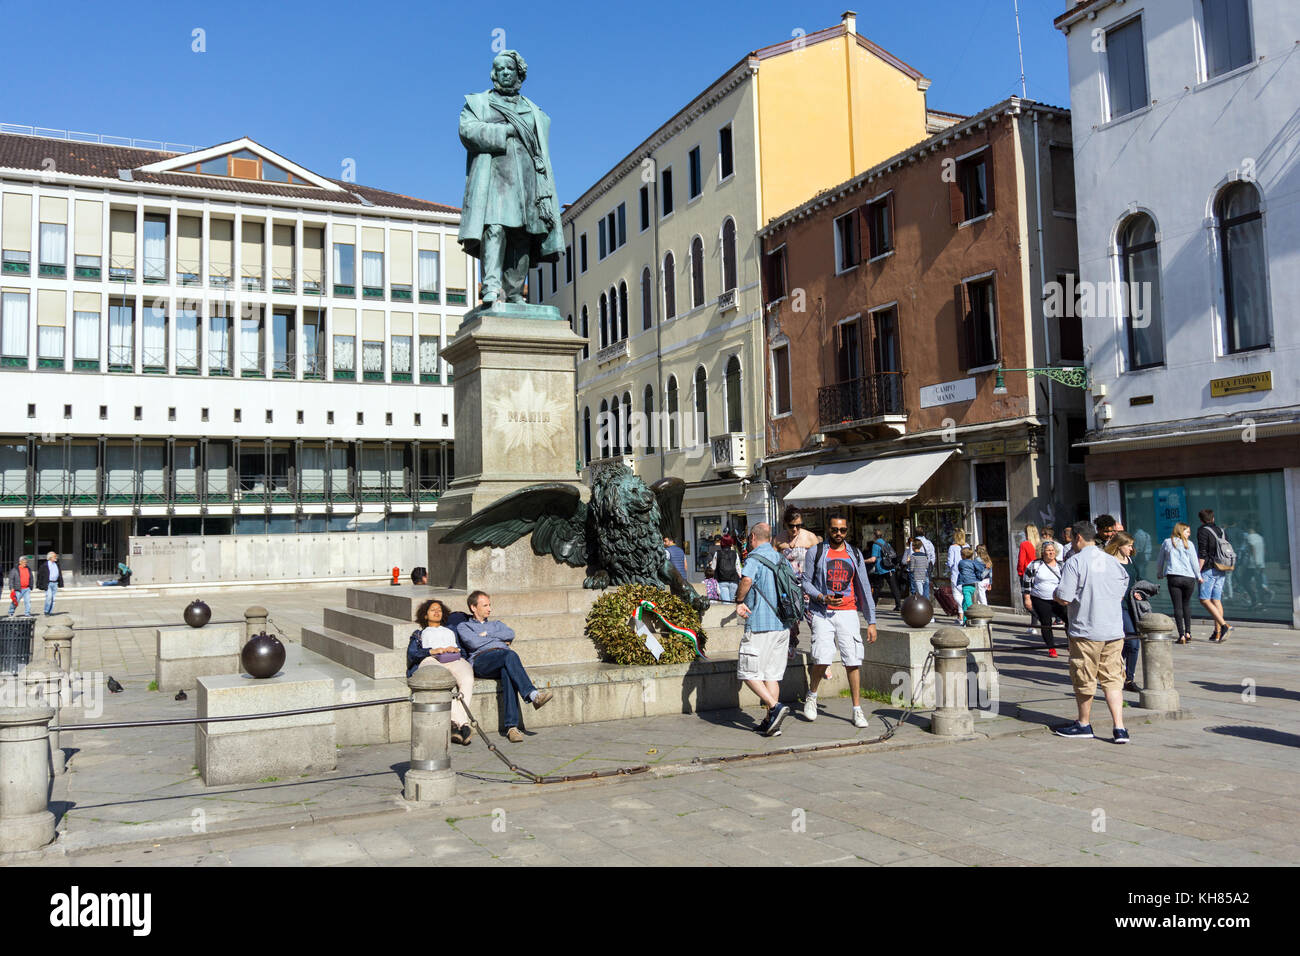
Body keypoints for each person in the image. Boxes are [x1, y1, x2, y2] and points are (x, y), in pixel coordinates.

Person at [458, 50, 562, 305]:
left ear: (519, 74)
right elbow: (467, 130)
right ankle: (491, 289)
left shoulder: (532, 109)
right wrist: (504, 130)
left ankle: (515, 292)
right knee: (494, 228)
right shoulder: (478, 103)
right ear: (494, 74)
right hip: (494, 178)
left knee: (523, 234)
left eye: (509, 69)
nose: (504, 73)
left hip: (527, 180)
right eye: (499, 69)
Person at [1053, 521, 1131, 743]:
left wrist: (1055, 595)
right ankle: (1119, 728)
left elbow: (1065, 596)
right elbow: (1123, 587)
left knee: (1084, 677)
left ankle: (1084, 723)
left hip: (1086, 629)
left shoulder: (1075, 562)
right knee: (1113, 678)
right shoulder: (1112, 561)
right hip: (1114, 629)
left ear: (1078, 538)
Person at [800, 515, 878, 729]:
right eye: (835, 530)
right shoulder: (815, 552)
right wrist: (821, 597)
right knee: (822, 657)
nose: (838, 534)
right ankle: (812, 696)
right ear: (828, 529)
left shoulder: (854, 553)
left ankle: (856, 709)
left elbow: (863, 584)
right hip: (822, 611)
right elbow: (805, 582)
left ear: (847, 531)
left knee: (853, 660)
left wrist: (871, 621)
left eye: (842, 530)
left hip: (848, 612)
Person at [455, 590, 553, 742]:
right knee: (510, 655)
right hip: (482, 661)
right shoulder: (464, 626)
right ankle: (532, 695)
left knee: (507, 671)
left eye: (490, 605)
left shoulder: (496, 624)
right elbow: (473, 643)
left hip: (502, 658)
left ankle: (511, 728)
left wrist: (485, 635)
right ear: (473, 608)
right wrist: (498, 640)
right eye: (485, 605)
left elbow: (510, 634)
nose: (489, 609)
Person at [734, 522, 792, 737]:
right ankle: (771, 722)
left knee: (747, 672)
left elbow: (747, 579)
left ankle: (774, 707)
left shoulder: (754, 558)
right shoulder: (780, 558)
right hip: (782, 625)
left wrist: (739, 600)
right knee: (772, 675)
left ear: (752, 537)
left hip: (759, 624)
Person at [414, 599, 475, 745]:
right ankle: (462, 725)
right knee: (439, 680)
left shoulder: (450, 631)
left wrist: (455, 649)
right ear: (425, 615)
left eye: (439, 610)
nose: (436, 612)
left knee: (467, 679)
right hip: (431, 659)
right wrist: (431, 651)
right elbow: (413, 653)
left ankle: (456, 725)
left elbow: (463, 651)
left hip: (452, 658)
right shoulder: (419, 633)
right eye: (432, 610)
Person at [1105, 531, 1142, 693]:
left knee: (1133, 643)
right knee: (1132, 641)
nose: (1131, 548)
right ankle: (1118, 673)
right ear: (1119, 546)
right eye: (1128, 545)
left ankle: (1127, 677)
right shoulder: (1110, 562)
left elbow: (1138, 580)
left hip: (1133, 604)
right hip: (1118, 606)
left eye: (1131, 545)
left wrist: (1140, 592)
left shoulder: (1130, 560)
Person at [1022, 540, 1068, 656]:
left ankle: (1071, 644)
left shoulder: (1061, 565)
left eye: (1052, 550)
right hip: (1040, 599)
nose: (1051, 553)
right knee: (1046, 623)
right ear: (1042, 552)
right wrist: (1027, 598)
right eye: (1048, 550)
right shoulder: (1035, 565)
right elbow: (1026, 583)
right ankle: (1051, 648)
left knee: (1069, 620)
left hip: (1059, 599)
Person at [1157, 522, 1199, 644]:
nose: (1189, 534)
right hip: (1189, 578)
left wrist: (1159, 573)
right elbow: (1194, 562)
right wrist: (1199, 576)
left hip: (1174, 577)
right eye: (1187, 532)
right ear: (1181, 531)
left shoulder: (1167, 542)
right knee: (1186, 604)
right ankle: (1188, 632)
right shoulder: (1189, 544)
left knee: (1177, 606)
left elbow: (1160, 560)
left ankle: (1181, 635)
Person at [1196, 508, 1232, 642]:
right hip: (1221, 567)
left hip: (1209, 569)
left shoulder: (1202, 531)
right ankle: (1217, 632)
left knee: (1204, 599)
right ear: (1213, 518)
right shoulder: (1221, 530)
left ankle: (1224, 626)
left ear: (1201, 520)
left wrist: (1197, 571)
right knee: (1216, 600)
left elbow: (1203, 552)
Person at [865, 528, 902, 609]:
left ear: (874, 536)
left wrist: (863, 561)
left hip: (880, 569)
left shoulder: (875, 544)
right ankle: (898, 605)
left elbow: (873, 559)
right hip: (890, 568)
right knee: (894, 587)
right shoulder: (886, 543)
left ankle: (873, 605)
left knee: (877, 587)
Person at [955, 547, 984, 624]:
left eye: (961, 554)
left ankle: (972, 617)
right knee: (964, 603)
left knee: (968, 604)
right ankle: (965, 621)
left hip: (965, 585)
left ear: (963, 555)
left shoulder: (961, 562)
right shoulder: (974, 563)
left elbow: (959, 569)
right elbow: (981, 568)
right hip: (972, 585)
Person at [710, 534, 741, 602]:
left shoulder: (717, 553)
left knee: (726, 603)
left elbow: (713, 568)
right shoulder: (734, 553)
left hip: (722, 580)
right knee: (731, 603)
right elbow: (738, 568)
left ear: (722, 543)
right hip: (734, 581)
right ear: (731, 542)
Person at [914, 527, 936, 597]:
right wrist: (931, 564)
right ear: (924, 533)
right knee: (926, 588)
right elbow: (933, 556)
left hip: (917, 569)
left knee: (918, 590)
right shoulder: (929, 542)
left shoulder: (914, 543)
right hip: (926, 568)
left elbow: (912, 555)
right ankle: (927, 605)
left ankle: (919, 605)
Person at [946, 529, 966, 597]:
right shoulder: (967, 546)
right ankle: (964, 607)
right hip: (966, 573)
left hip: (956, 573)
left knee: (957, 595)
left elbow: (950, 562)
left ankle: (962, 608)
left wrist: (948, 566)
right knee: (964, 594)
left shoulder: (952, 547)